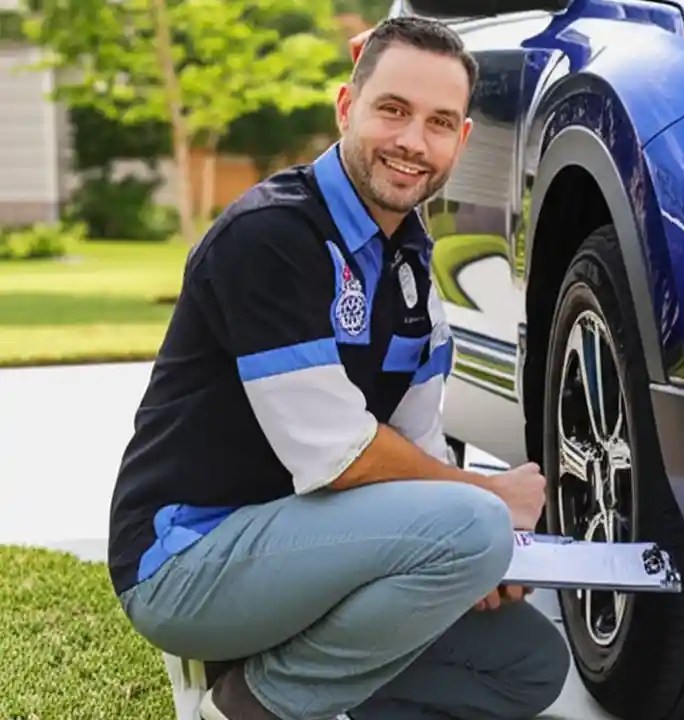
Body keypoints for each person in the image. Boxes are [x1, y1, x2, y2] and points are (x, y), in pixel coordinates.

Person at [106, 16, 570, 720]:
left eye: (440, 122)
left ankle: (315, 690)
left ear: (462, 141)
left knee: (529, 665)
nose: (414, 141)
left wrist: (485, 558)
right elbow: (339, 456)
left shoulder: (414, 266)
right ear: (347, 107)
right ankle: (245, 704)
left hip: (315, 552)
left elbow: (418, 448)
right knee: (474, 523)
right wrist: (486, 504)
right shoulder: (271, 237)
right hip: (186, 563)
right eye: (393, 110)